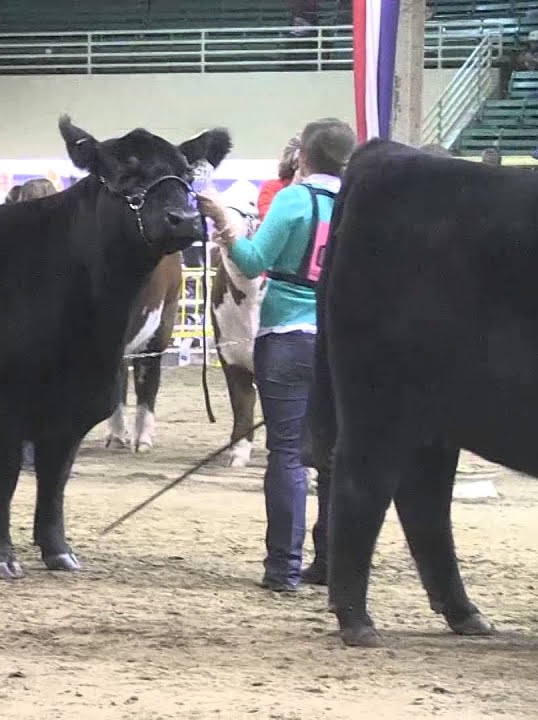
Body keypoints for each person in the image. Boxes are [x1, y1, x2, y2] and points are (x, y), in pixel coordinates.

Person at [196, 117, 357, 592]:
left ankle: (282, 568)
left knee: (286, 453)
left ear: (303, 157)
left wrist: (223, 224)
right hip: (338, 343)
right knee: (331, 455)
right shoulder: (358, 204)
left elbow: (251, 262)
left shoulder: (293, 199)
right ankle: (329, 562)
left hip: (287, 336)